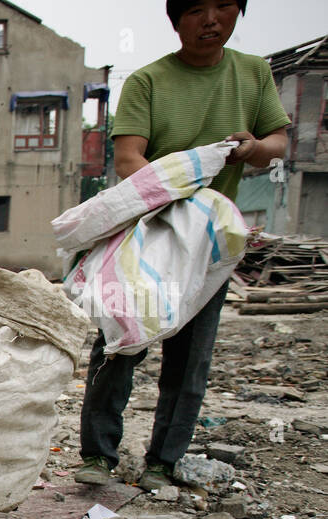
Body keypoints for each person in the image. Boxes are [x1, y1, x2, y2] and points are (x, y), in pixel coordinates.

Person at [75, 0, 289, 491]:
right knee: (120, 340)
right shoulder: (148, 81)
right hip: (150, 233)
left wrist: (255, 148)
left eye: (224, 7)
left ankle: (163, 461)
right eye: (196, 9)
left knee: (191, 356)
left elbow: (277, 139)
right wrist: (184, 187)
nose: (210, 20)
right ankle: (98, 456)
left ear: (238, 12)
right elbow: (129, 159)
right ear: (175, 20)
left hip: (211, 244)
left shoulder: (253, 73)